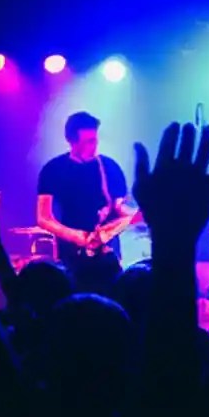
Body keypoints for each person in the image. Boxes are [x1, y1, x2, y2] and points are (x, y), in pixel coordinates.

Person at [36, 112, 135, 292]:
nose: (94, 145)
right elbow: (43, 217)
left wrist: (139, 213)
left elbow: (120, 208)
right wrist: (76, 236)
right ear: (71, 140)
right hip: (70, 257)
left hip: (108, 254)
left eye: (95, 140)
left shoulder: (109, 166)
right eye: (88, 141)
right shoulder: (53, 169)